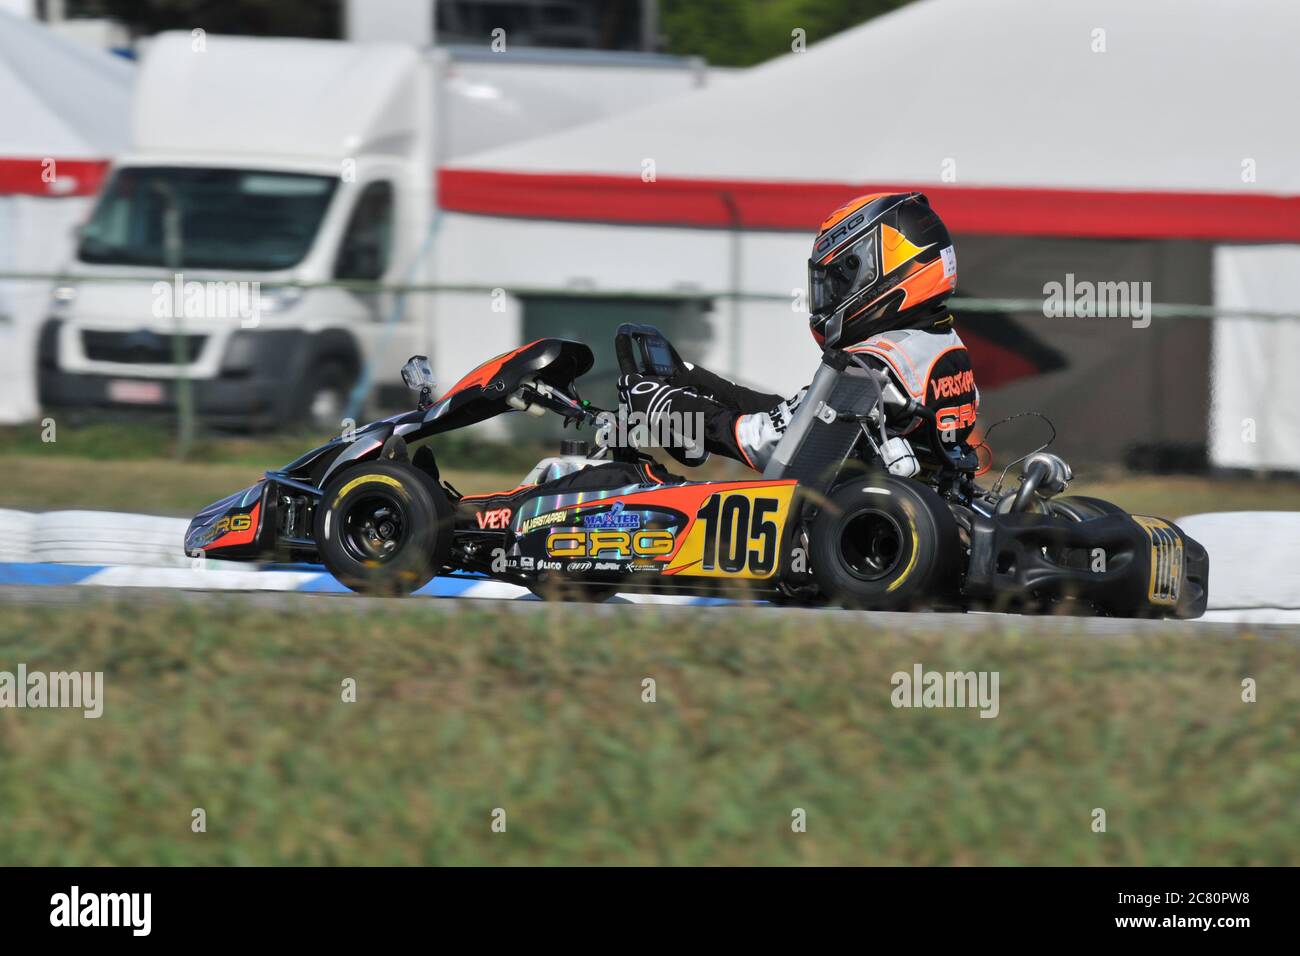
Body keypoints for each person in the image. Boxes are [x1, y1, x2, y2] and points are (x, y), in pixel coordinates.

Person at [617, 191, 978, 472]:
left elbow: (768, 442)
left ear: (876, 271)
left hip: (859, 531)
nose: (831, 295)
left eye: (838, 280)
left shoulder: (873, 366)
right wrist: (702, 383)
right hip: (906, 508)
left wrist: (663, 405)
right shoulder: (937, 345)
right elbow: (806, 420)